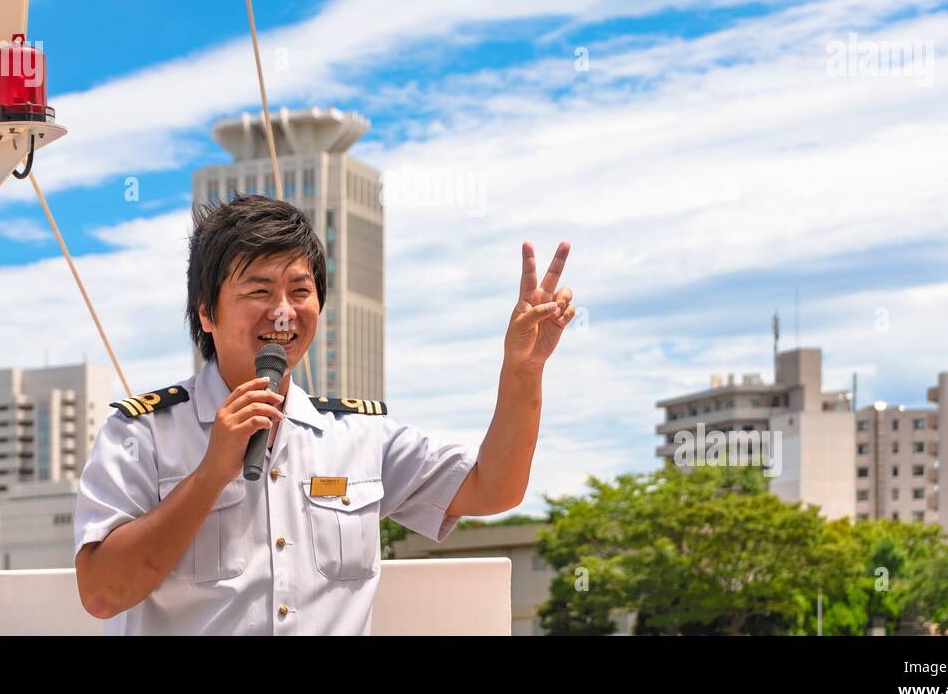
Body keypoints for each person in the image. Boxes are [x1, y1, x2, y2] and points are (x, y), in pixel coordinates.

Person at [73, 194, 575, 634]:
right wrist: (210, 475)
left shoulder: (358, 434)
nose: (284, 312)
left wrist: (523, 370)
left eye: (299, 290)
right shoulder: (141, 432)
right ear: (206, 312)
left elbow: (494, 487)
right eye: (259, 291)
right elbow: (101, 594)